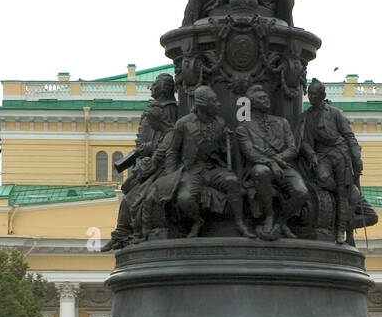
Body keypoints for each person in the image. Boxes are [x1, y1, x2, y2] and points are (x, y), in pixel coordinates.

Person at [154, 85, 251, 237]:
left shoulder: (220, 123)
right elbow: (172, 151)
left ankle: (239, 222)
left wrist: (228, 144)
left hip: (212, 169)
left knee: (232, 181)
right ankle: (197, 221)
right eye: (214, 101)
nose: (218, 104)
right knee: (185, 199)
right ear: (202, 104)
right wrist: (170, 175)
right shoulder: (184, 123)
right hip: (192, 170)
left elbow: (223, 152)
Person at [101, 74, 178, 251]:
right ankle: (122, 234)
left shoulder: (168, 110)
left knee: (134, 198)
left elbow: (166, 140)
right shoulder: (159, 109)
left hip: (160, 167)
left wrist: (148, 153)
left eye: (154, 85)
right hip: (149, 163)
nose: (151, 88)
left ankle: (128, 234)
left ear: (161, 88)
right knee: (130, 195)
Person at [236, 84, 307, 239]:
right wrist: (271, 163)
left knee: (301, 192)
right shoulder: (244, 128)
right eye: (261, 98)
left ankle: (281, 222)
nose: (267, 100)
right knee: (261, 171)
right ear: (252, 103)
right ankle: (269, 215)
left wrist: (278, 159)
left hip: (284, 166)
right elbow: (250, 153)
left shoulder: (282, 122)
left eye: (267, 97)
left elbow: (292, 148)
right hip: (260, 167)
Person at [297, 78, 363, 244]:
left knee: (343, 192)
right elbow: (304, 141)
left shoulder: (335, 113)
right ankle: (337, 195)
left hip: (341, 153)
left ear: (322, 95)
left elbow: (349, 135)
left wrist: (356, 156)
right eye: (309, 93)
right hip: (322, 155)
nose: (310, 97)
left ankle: (340, 230)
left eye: (314, 94)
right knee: (324, 177)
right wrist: (311, 154)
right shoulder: (307, 116)